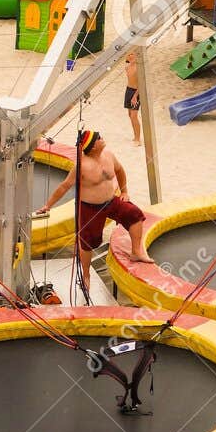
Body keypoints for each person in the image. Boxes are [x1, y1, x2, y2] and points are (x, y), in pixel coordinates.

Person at [35, 129, 149, 291]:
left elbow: (120, 171)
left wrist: (124, 191)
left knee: (135, 215)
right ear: (93, 146)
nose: (102, 139)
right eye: (99, 138)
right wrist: (48, 205)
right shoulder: (81, 166)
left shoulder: (109, 155)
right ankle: (86, 274)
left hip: (111, 201)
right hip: (90, 207)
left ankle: (136, 251)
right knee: (88, 242)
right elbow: (64, 186)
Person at [123, 52, 142, 145]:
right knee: (130, 115)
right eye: (129, 54)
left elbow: (141, 84)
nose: (130, 56)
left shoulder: (139, 68)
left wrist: (135, 96)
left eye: (132, 54)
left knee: (134, 116)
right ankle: (135, 137)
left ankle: (138, 139)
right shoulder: (127, 68)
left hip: (137, 92)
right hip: (128, 90)